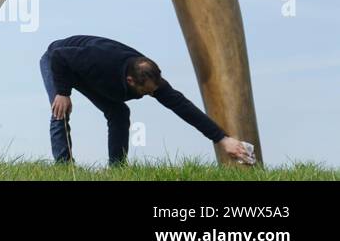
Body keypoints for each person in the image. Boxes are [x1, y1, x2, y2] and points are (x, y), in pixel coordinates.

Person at [38, 34, 253, 166]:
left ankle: (117, 168)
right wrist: (63, 92)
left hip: (89, 74)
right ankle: (64, 166)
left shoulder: (152, 80)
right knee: (60, 108)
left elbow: (185, 109)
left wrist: (223, 139)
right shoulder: (101, 61)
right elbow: (59, 57)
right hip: (58, 61)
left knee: (119, 112)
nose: (150, 94)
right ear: (131, 80)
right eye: (146, 92)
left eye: (153, 91)